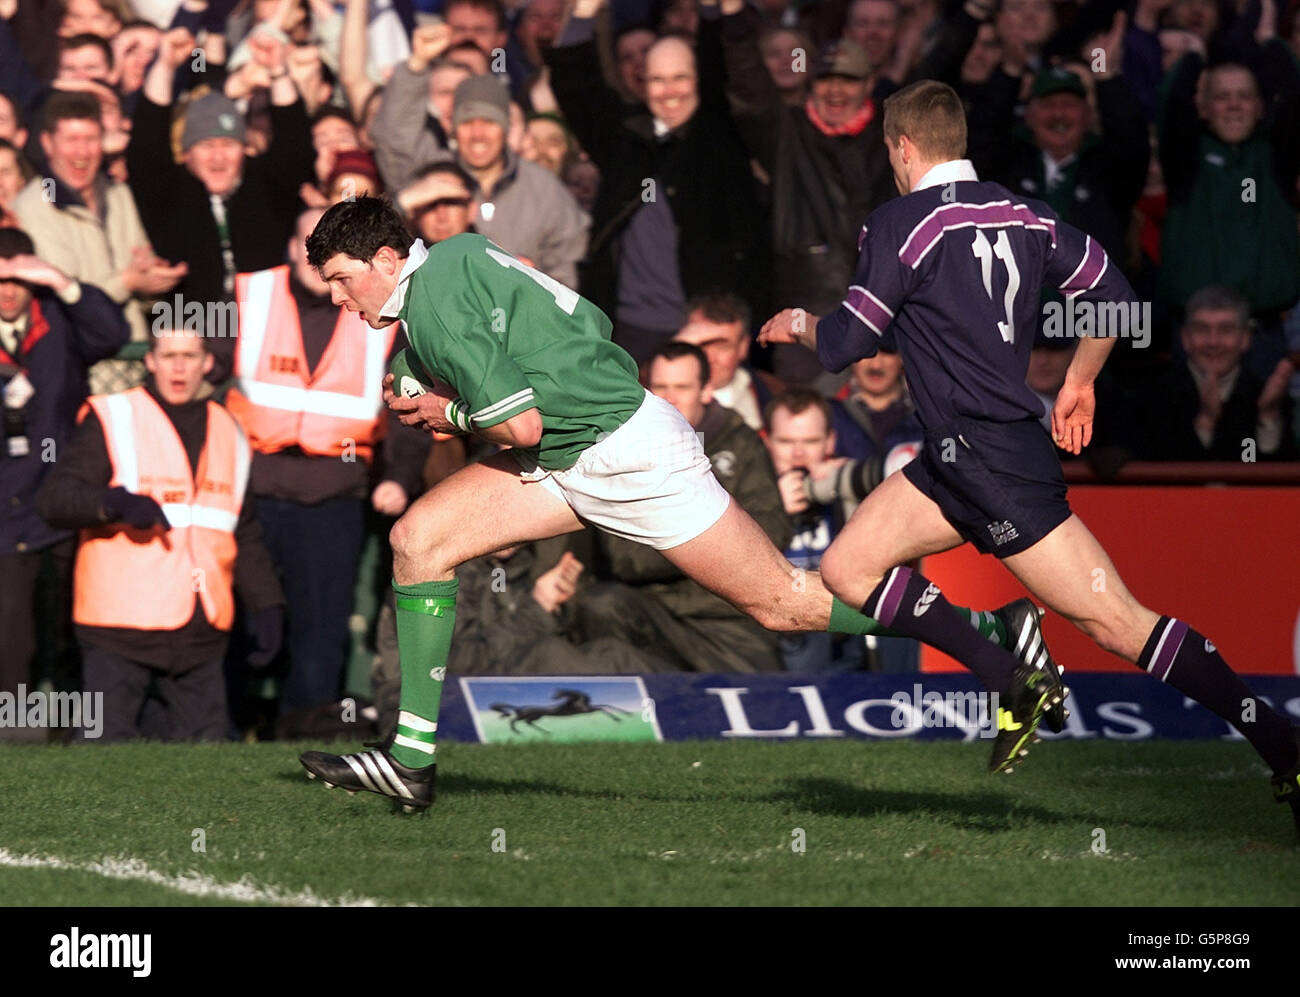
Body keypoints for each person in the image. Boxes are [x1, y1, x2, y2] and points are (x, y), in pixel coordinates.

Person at [295, 196, 1055, 812]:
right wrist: (427, 378)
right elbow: (579, 322)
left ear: (388, 260)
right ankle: (411, 762)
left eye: (341, 277)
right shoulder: (457, 251)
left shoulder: (430, 311)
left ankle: (993, 629)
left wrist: (448, 412)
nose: (337, 295)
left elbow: (517, 422)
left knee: (785, 602)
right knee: (419, 541)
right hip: (577, 447)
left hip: (624, 455)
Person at [759, 80, 1300, 831]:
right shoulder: (1022, 212)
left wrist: (801, 324)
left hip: (995, 462)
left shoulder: (900, 223)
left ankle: (1282, 741)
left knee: (1118, 623)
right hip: (960, 458)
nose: (890, 165)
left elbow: (850, 343)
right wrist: (1079, 381)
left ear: (905, 149)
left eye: (889, 153)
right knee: (850, 570)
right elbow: (1115, 290)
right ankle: (1006, 663)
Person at [35, 327, 284, 742]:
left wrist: (268, 604)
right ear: (149, 361)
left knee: (203, 767)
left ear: (208, 363)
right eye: (169, 356)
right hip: (120, 629)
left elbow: (243, 530)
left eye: (190, 356)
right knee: (104, 757)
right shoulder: (112, 415)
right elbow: (55, 501)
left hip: (200, 632)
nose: (180, 367)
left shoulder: (231, 430)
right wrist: (113, 503)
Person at [224, 208, 425, 717]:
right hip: (249, 489)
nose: (317, 263)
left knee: (322, 623)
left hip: (333, 494)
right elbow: (200, 381)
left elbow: (406, 399)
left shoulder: (379, 310)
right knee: (238, 614)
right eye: (307, 244)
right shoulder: (249, 296)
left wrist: (399, 478)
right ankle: (222, 726)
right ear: (293, 248)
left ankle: (306, 728)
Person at [0, 227, 129, 713]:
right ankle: (12, 727)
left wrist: (64, 282)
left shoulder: (57, 319)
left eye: (17, 278)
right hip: (7, 510)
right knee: (12, 627)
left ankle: (79, 725)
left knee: (75, 618)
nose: (8, 291)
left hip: (63, 498)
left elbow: (113, 335)